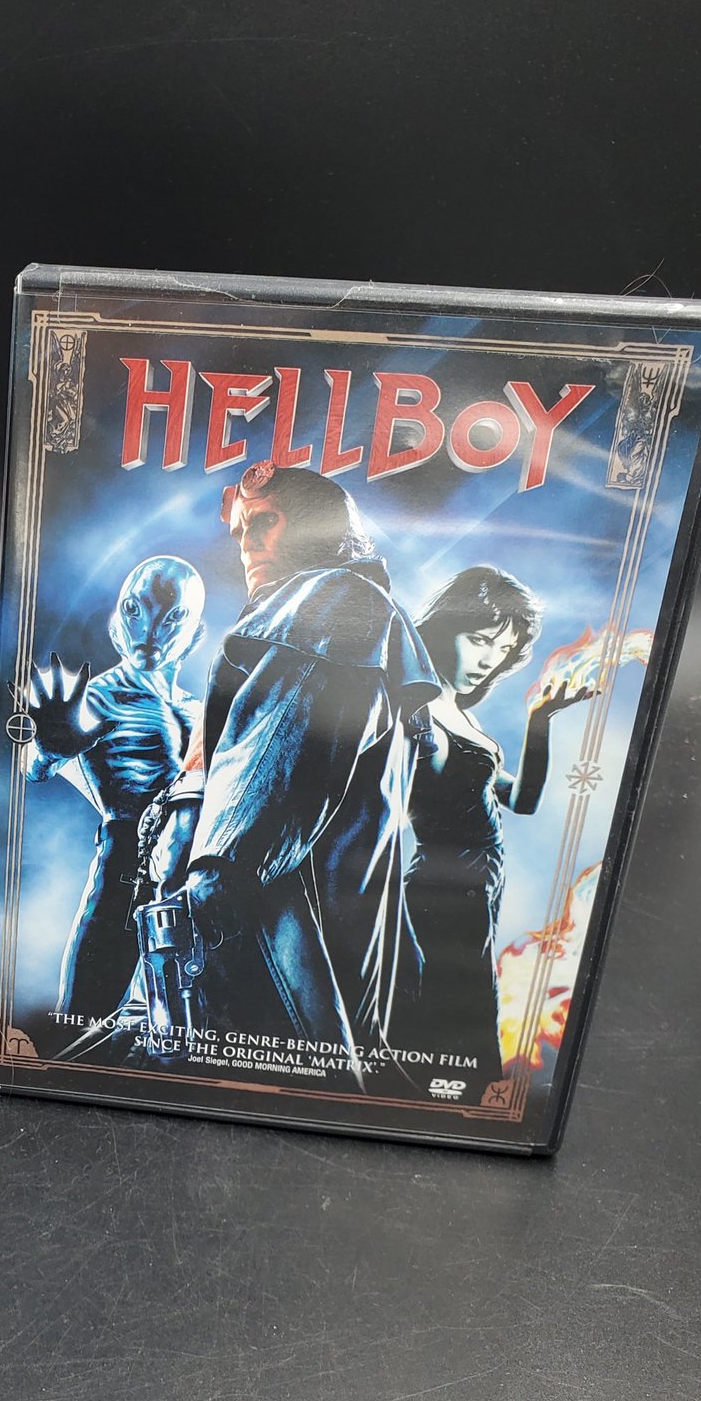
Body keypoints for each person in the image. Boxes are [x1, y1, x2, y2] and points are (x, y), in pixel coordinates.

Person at [119, 461, 440, 1093]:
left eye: (265, 522)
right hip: (299, 928)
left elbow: (269, 765)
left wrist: (207, 886)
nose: (248, 542)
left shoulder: (331, 600)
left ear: (322, 527)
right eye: (241, 529)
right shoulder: (329, 612)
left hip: (266, 924)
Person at [397, 565, 591, 1086]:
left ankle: (451, 1099)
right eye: (479, 640)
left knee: (464, 1008)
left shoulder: (460, 714)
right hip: (445, 886)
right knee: (451, 1013)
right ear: (445, 628)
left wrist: (540, 722)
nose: (489, 661)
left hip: (476, 885)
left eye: (502, 649)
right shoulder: (418, 709)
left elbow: (522, 800)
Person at [22, 557, 205, 1018]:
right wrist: (47, 748)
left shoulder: (200, 709)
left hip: (196, 877)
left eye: (173, 617)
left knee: (188, 1018)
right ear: (115, 621)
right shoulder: (97, 697)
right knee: (83, 1019)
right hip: (128, 867)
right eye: (135, 610)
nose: (151, 631)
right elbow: (35, 766)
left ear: (196, 633)